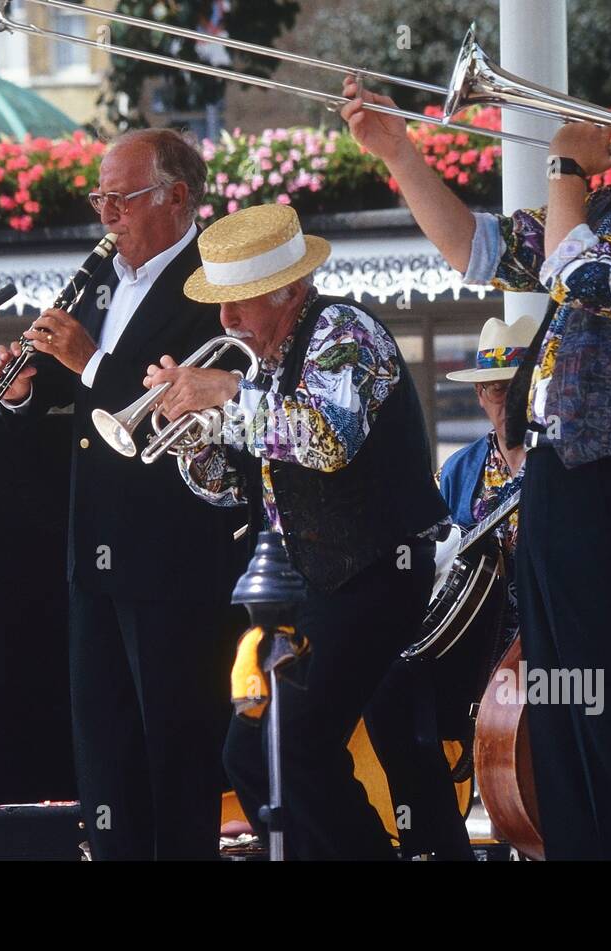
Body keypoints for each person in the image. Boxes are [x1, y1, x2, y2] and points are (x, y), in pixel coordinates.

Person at [344, 31, 611, 859]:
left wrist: (568, 171)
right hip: (562, 481)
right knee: (561, 703)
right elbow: (478, 248)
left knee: (610, 707)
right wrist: (399, 152)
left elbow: (588, 278)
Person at [148, 202, 449, 859]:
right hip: (311, 582)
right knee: (253, 755)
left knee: (293, 744)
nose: (225, 321)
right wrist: (189, 436)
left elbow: (326, 439)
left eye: (240, 302)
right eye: (220, 305)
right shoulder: (263, 368)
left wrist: (226, 394)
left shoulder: (343, 329)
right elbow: (229, 488)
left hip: (373, 568)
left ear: (290, 290)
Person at [0, 128, 247, 860]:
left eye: (122, 198)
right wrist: (22, 391)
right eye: (99, 197)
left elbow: (164, 396)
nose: (106, 214)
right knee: (104, 757)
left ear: (176, 197)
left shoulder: (213, 282)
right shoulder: (100, 281)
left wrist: (88, 356)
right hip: (93, 554)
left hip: (172, 558)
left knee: (174, 752)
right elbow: (76, 411)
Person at [363, 316, 535, 860]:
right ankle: (436, 841)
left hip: (543, 636)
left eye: (513, 388)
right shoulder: (460, 469)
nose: (501, 400)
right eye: (492, 389)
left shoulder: (561, 463)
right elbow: (439, 555)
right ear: (480, 394)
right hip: (472, 641)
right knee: (392, 692)